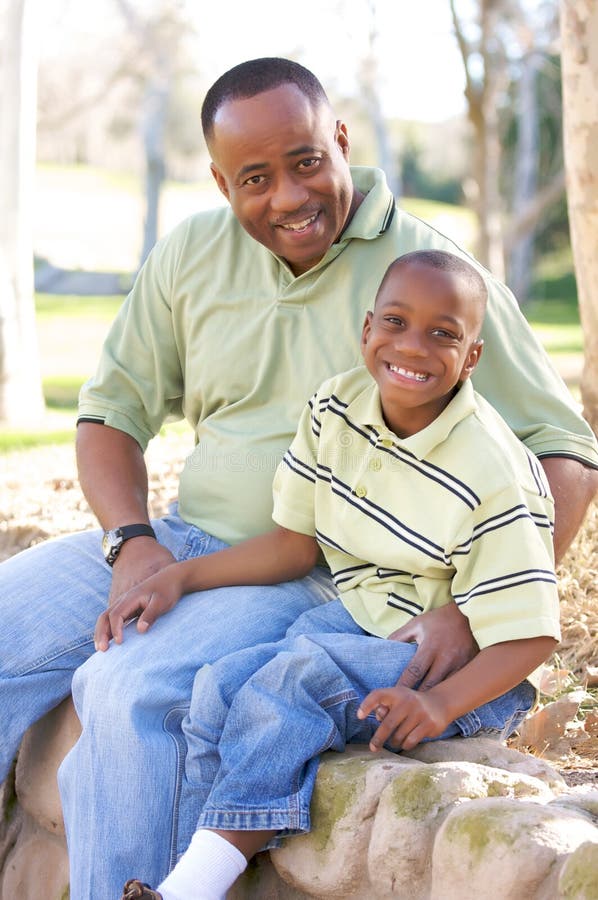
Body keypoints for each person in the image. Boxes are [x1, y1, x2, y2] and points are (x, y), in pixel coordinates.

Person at [0, 57, 595, 899]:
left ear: (341, 141)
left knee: (131, 688)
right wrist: (131, 541)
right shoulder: (191, 253)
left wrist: (471, 614)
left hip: (322, 573)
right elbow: (109, 417)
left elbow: (564, 452)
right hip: (185, 541)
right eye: (255, 178)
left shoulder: (429, 277)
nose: (288, 196)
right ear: (221, 182)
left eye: (307, 161)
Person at [116, 250, 560, 900]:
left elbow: (532, 635)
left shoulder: (492, 470)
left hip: (463, 673)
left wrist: (439, 705)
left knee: (294, 684)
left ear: (471, 357)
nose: (413, 346)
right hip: (357, 616)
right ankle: (193, 877)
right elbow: (294, 547)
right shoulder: (336, 408)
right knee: (217, 688)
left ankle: (191, 890)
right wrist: (183, 576)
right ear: (366, 329)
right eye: (396, 322)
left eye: (443, 334)